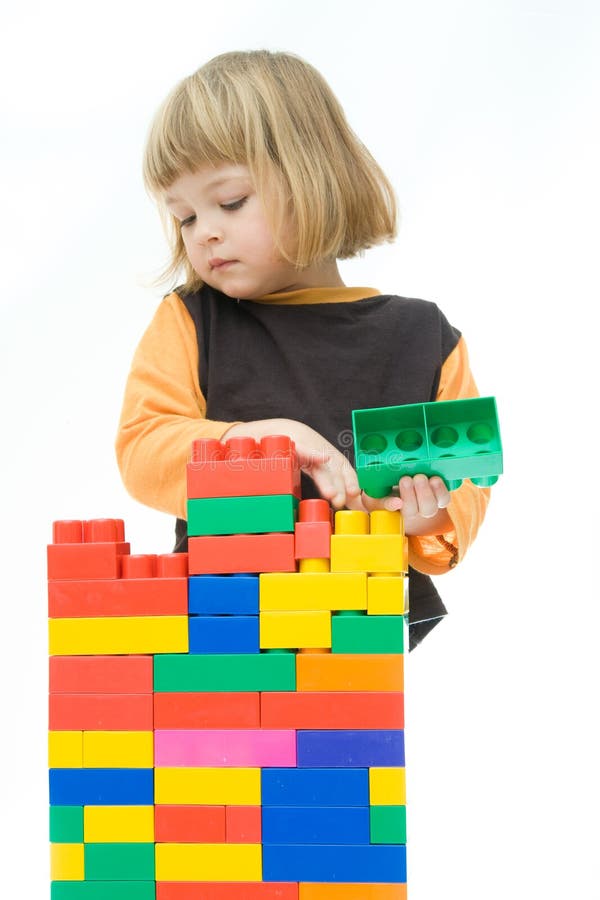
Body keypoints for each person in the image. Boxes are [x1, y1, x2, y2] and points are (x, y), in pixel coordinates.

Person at [116, 50, 491, 649]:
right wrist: (266, 443)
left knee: (344, 743)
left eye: (231, 202)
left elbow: (466, 483)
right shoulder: (190, 319)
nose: (204, 232)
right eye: (183, 217)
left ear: (314, 176)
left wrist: (426, 517)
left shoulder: (425, 337)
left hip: (355, 631)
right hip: (225, 626)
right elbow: (142, 449)